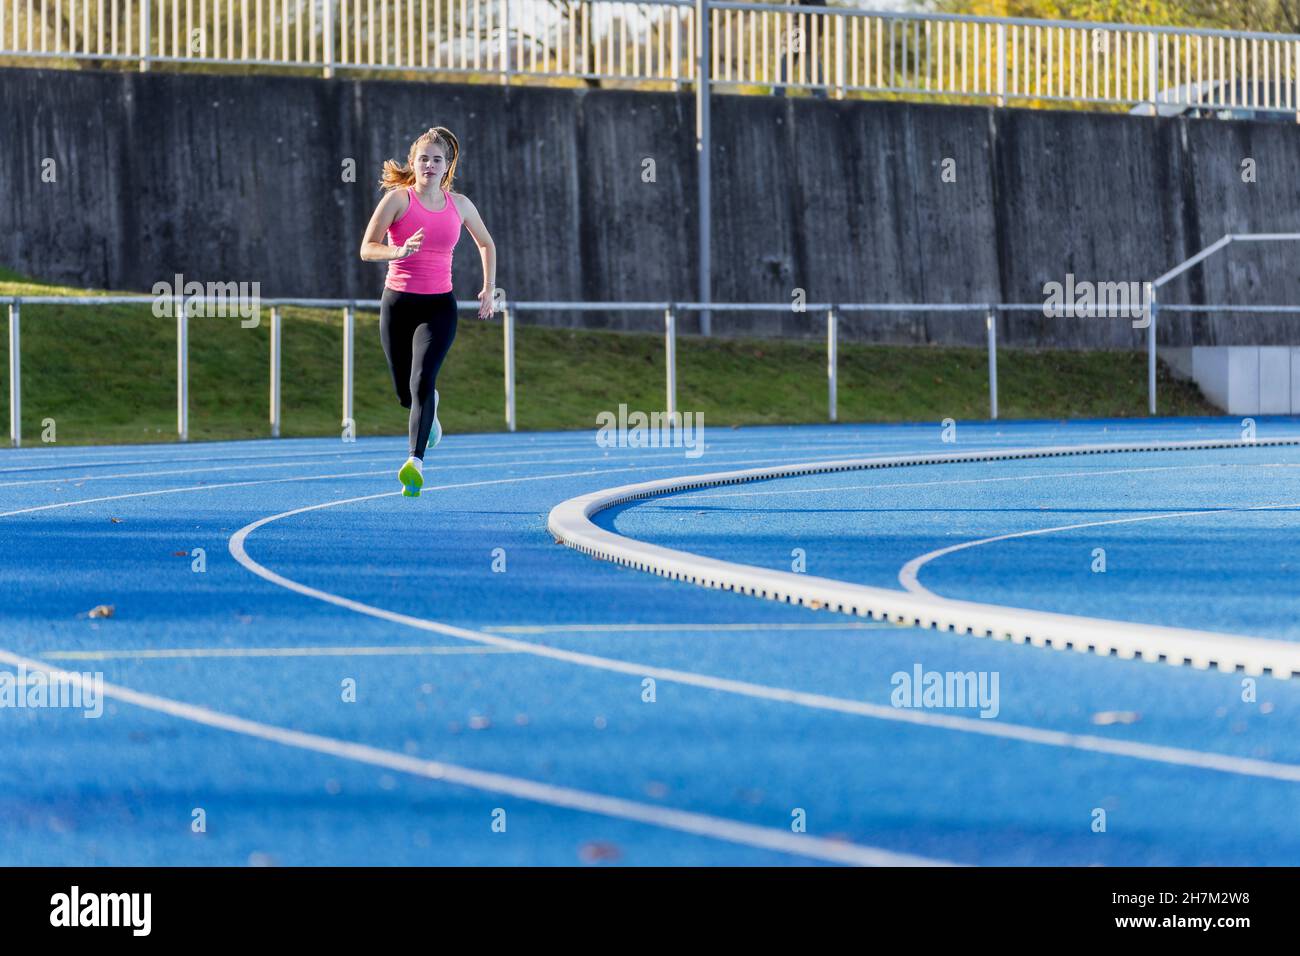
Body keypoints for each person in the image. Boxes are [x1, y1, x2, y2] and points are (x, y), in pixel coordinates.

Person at [359, 126, 497, 497]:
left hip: (438, 307)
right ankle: (430, 410)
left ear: (447, 165)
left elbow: (486, 243)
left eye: (437, 159)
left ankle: (414, 462)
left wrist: (488, 288)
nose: (430, 165)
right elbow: (367, 248)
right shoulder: (397, 201)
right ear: (413, 163)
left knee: (423, 380)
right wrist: (397, 252)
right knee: (406, 395)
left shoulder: (461, 205)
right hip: (398, 303)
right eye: (424, 159)